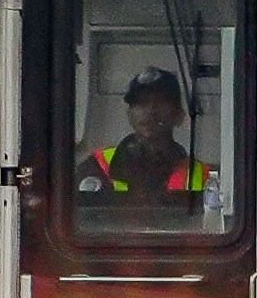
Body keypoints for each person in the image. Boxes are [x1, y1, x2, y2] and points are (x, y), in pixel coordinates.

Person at [87, 64, 205, 205]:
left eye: (161, 102)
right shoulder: (97, 166)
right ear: (129, 115)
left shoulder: (202, 176)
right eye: (141, 103)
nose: (150, 111)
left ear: (179, 116)